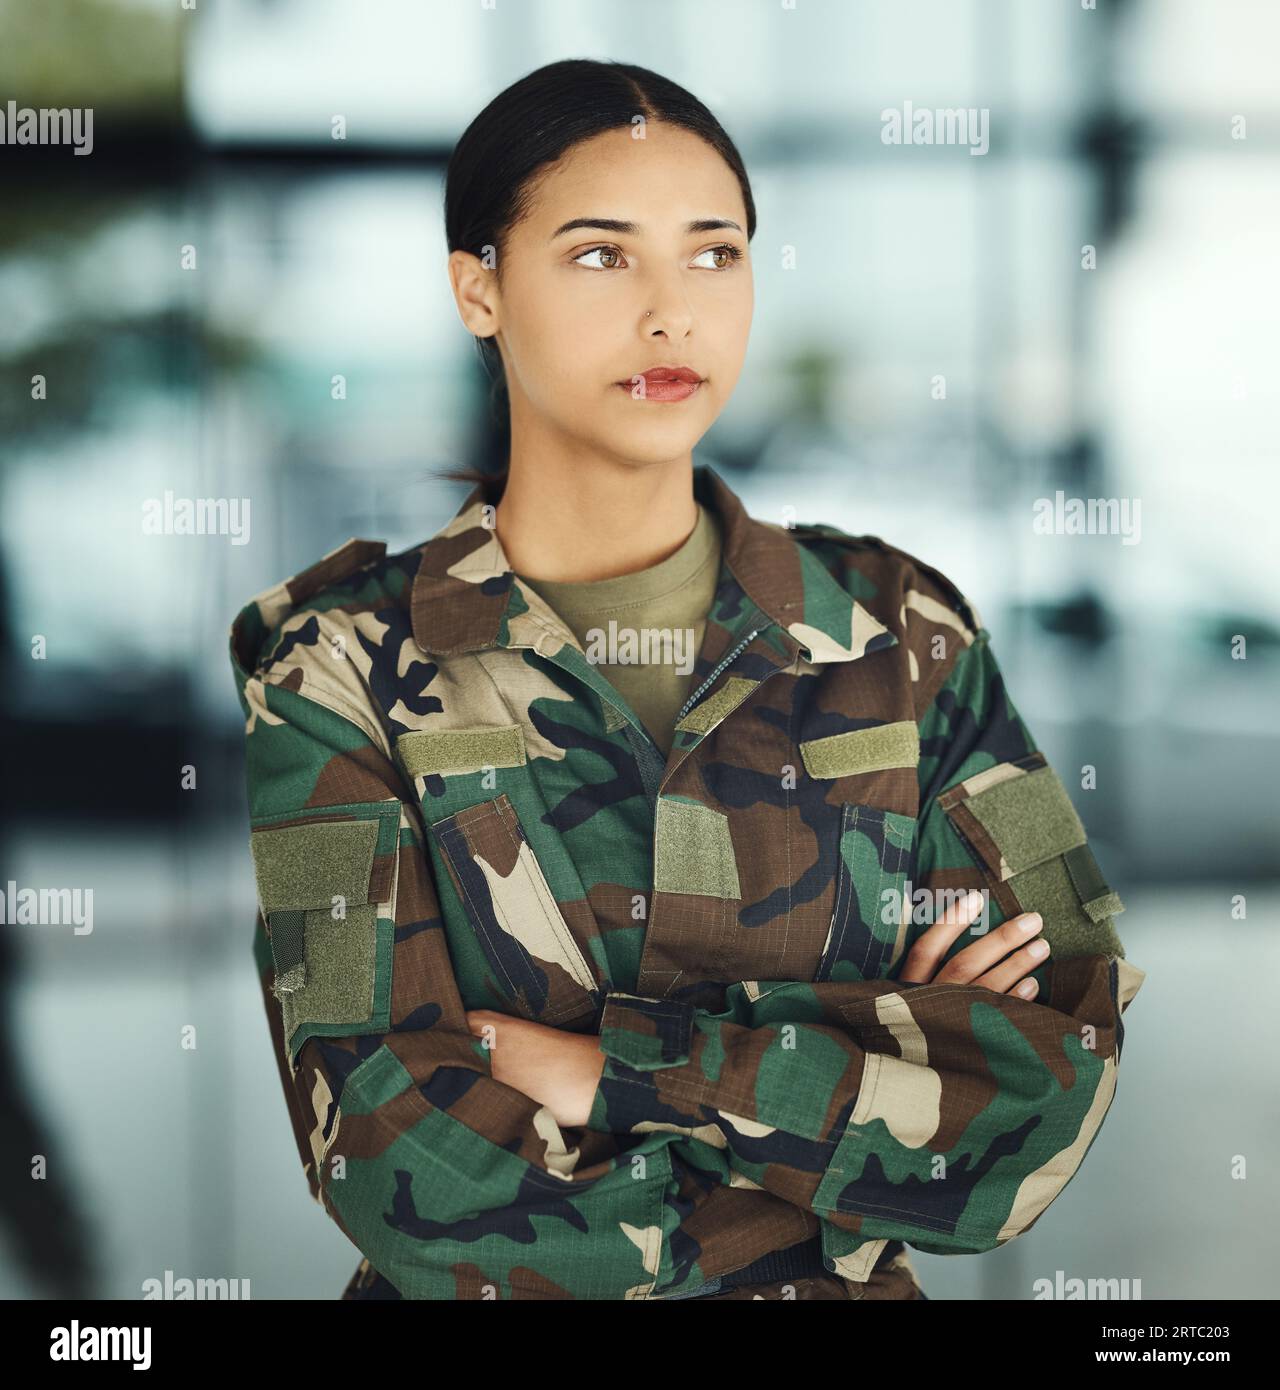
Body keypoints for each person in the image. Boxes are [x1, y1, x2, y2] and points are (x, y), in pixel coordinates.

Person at [228, 58, 1144, 1302]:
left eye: (713, 254)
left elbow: (1043, 1090)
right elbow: (405, 1172)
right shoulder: (340, 668)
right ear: (477, 288)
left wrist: (606, 1070)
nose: (671, 313)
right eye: (601, 255)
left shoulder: (899, 631)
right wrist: (857, 1089)